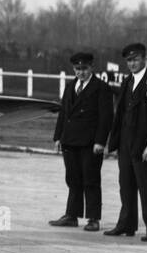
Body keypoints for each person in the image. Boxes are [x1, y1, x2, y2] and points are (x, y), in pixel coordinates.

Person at [104, 42, 147, 241]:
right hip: (125, 144)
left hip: (143, 145)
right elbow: (120, 114)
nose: (132, 63)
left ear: (144, 59)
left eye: (136, 59)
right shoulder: (127, 82)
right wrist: (114, 143)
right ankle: (126, 224)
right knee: (126, 185)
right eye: (129, 60)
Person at [48, 51, 112, 231]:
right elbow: (63, 113)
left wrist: (100, 141)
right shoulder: (70, 87)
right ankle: (72, 215)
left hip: (90, 143)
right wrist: (58, 137)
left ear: (91, 67)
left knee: (91, 179)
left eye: (84, 68)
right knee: (73, 179)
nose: (81, 72)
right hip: (70, 140)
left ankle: (93, 218)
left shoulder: (101, 88)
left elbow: (106, 117)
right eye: (77, 69)